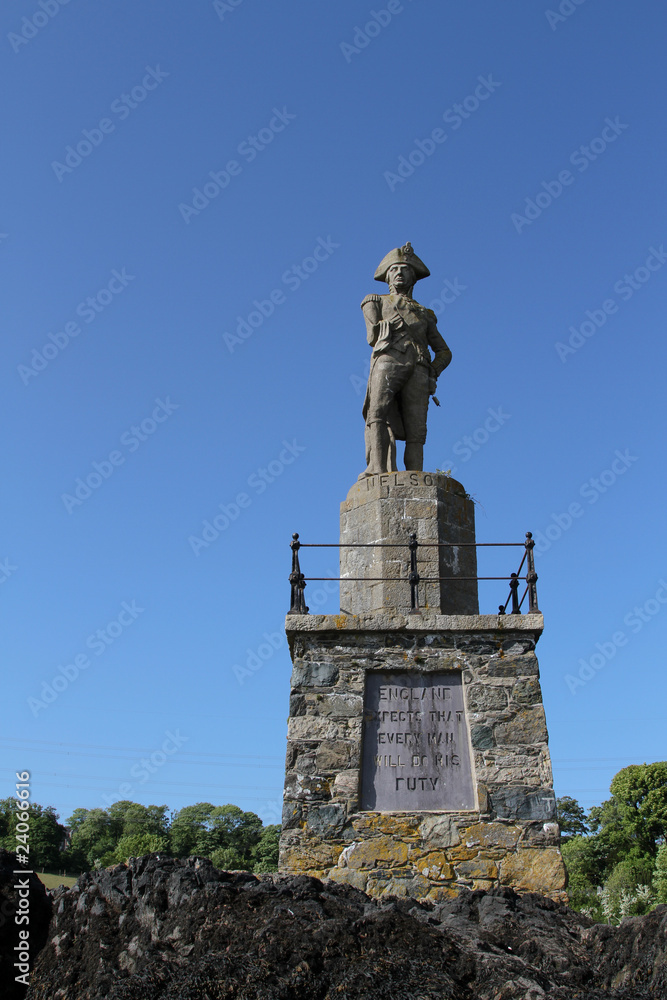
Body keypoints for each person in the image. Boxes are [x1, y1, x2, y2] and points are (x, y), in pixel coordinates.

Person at [359, 242, 452, 477]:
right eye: (394, 269)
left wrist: (433, 371)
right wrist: (384, 327)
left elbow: (444, 351)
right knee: (377, 414)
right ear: (387, 276)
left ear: (413, 277)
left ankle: (415, 476)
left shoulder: (425, 314)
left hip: (419, 368)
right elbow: (371, 337)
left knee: (416, 429)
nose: (399, 273)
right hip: (388, 361)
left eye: (405, 269)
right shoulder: (375, 301)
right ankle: (377, 469)